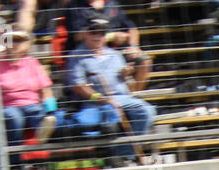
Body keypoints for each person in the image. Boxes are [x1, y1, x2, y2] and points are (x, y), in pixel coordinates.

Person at [66, 14, 154, 160]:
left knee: (146, 110)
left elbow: (131, 87)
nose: (97, 36)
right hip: (95, 101)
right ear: (85, 33)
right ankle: (119, 156)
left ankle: (124, 155)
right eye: (93, 31)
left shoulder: (115, 55)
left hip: (122, 98)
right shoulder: (76, 56)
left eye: (101, 32)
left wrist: (127, 75)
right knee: (106, 115)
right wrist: (102, 99)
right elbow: (78, 87)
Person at [0, 28, 56, 155]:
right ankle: (15, 158)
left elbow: (46, 89)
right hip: (9, 106)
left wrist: (51, 110)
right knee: (15, 117)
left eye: (18, 40)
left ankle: (41, 137)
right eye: (10, 40)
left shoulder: (32, 62)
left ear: (26, 44)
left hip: (32, 104)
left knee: (43, 115)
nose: (13, 44)